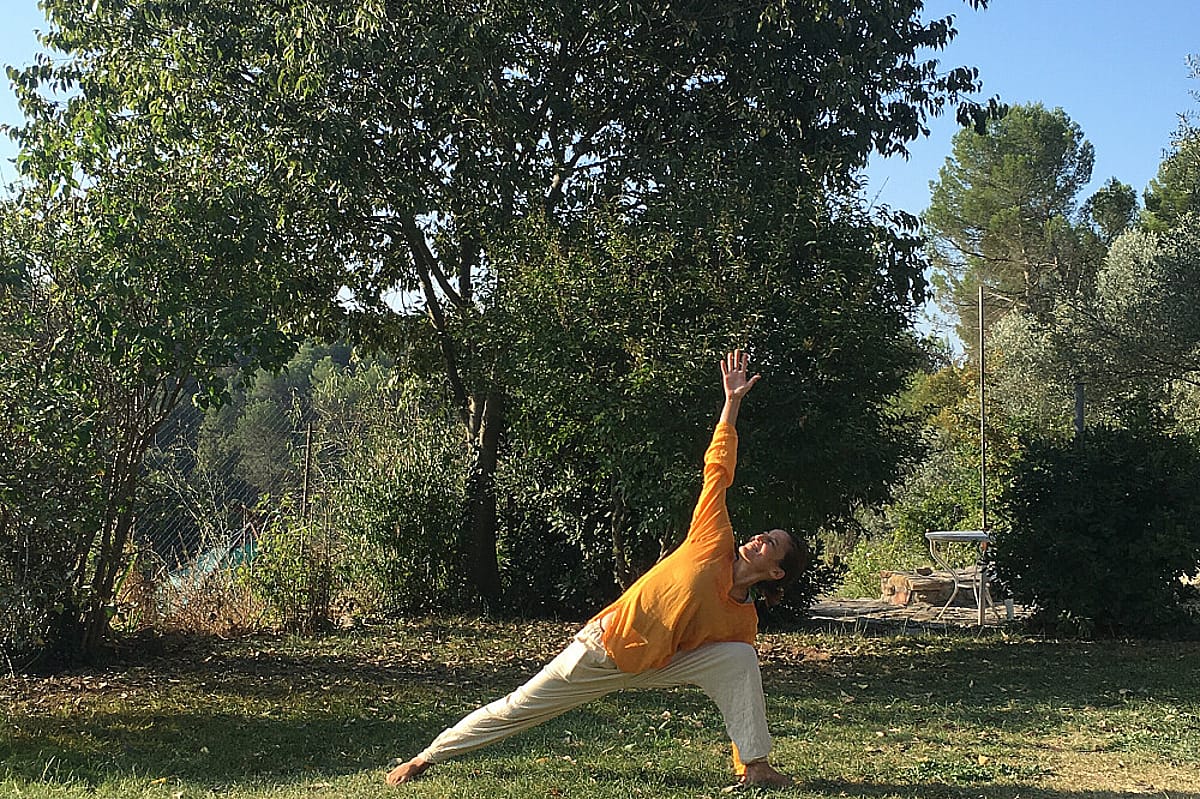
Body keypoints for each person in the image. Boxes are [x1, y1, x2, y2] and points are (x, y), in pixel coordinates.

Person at [386, 350, 805, 789]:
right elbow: (717, 469)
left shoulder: (741, 618)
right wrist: (731, 402)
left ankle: (755, 767)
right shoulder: (712, 540)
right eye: (763, 534)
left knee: (740, 658)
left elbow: (739, 689)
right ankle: (427, 756)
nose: (758, 538)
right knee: (520, 705)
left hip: (656, 664)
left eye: (770, 543)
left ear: (776, 572)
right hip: (604, 649)